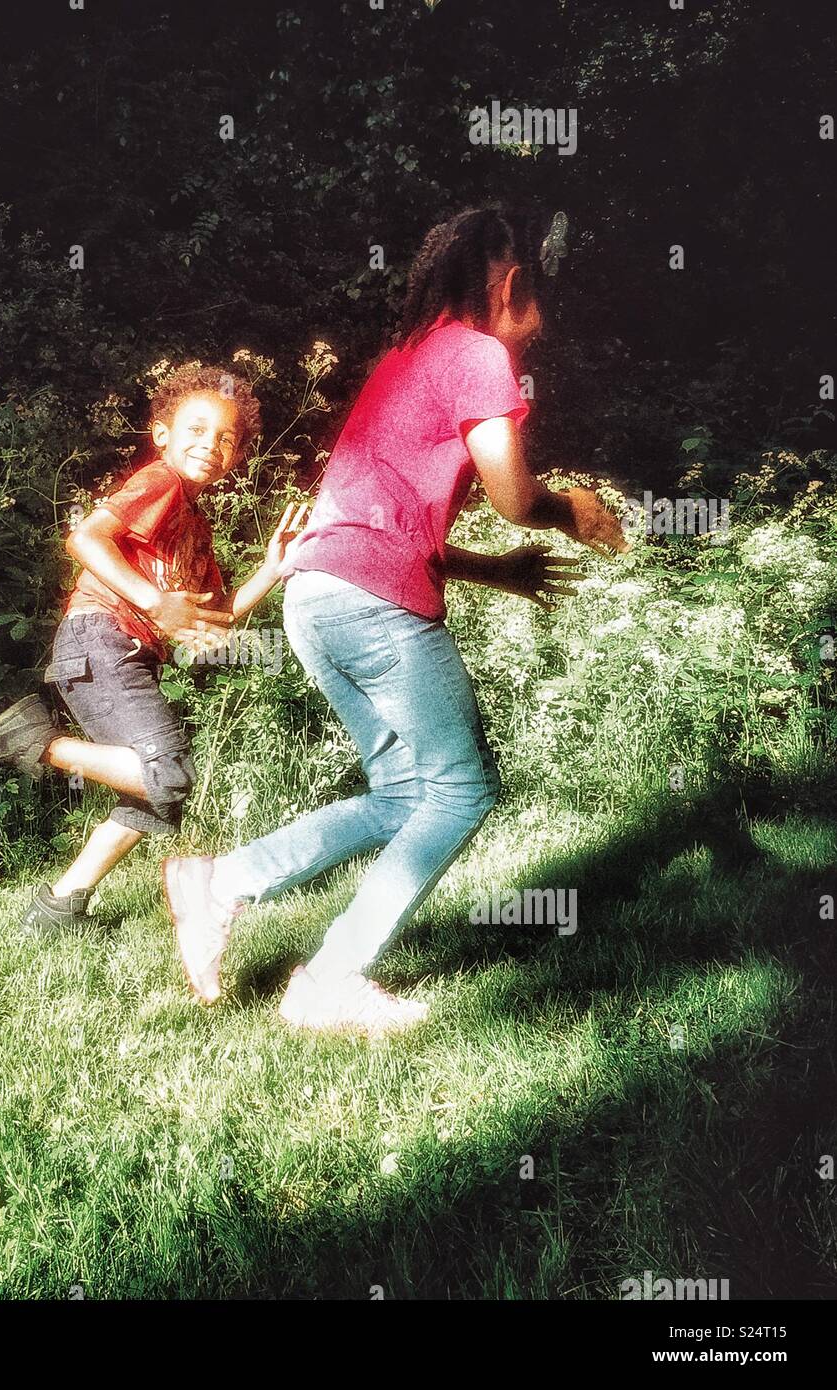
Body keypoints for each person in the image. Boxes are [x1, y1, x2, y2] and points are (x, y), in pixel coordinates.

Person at [162, 205, 630, 1037]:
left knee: (404, 792)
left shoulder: (407, 359)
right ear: (513, 283)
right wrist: (571, 511)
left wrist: (498, 572)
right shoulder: (479, 354)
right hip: (370, 604)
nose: (543, 323)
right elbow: (515, 497)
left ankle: (224, 881)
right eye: (539, 298)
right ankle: (331, 978)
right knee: (462, 789)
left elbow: (392, 526)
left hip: (317, 595)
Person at [0, 361, 306, 931]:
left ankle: (59, 906)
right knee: (170, 773)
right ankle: (29, 741)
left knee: (160, 792)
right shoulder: (160, 483)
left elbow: (213, 618)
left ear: (236, 457)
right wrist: (154, 601)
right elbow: (85, 537)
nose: (211, 445)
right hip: (100, 638)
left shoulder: (195, 523)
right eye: (197, 429)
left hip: (123, 652)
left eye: (226, 439)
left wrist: (271, 571)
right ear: (162, 433)